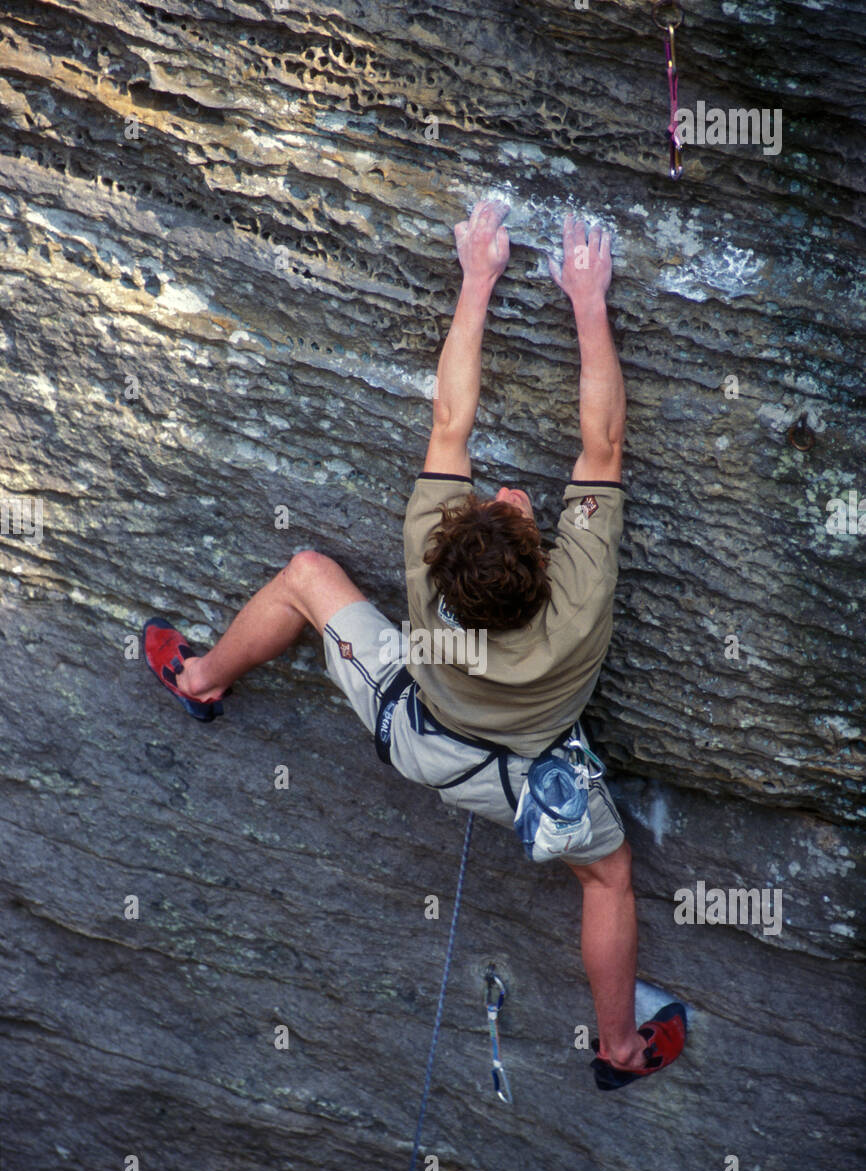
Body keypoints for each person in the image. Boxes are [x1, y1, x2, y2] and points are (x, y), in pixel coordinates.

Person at [143, 200, 686, 1091]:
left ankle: (200, 679)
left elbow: (450, 423)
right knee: (608, 879)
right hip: (526, 783)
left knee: (307, 574)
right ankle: (618, 1049)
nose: (509, 493)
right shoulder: (578, 599)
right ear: (545, 565)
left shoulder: (432, 561)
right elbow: (604, 445)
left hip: (412, 732)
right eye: (515, 510)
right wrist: (588, 299)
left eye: (498, 503)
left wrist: (476, 277)